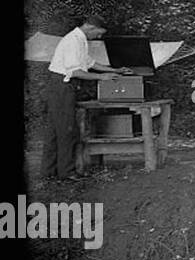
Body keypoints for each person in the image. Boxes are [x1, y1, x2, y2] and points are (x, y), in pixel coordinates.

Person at [42, 14, 130, 181]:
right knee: (67, 131)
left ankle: (48, 172)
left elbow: (89, 63)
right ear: (90, 27)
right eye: (98, 33)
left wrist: (113, 71)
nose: (99, 37)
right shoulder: (73, 41)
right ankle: (67, 172)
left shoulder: (80, 39)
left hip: (61, 86)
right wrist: (100, 78)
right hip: (62, 86)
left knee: (54, 131)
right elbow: (75, 71)